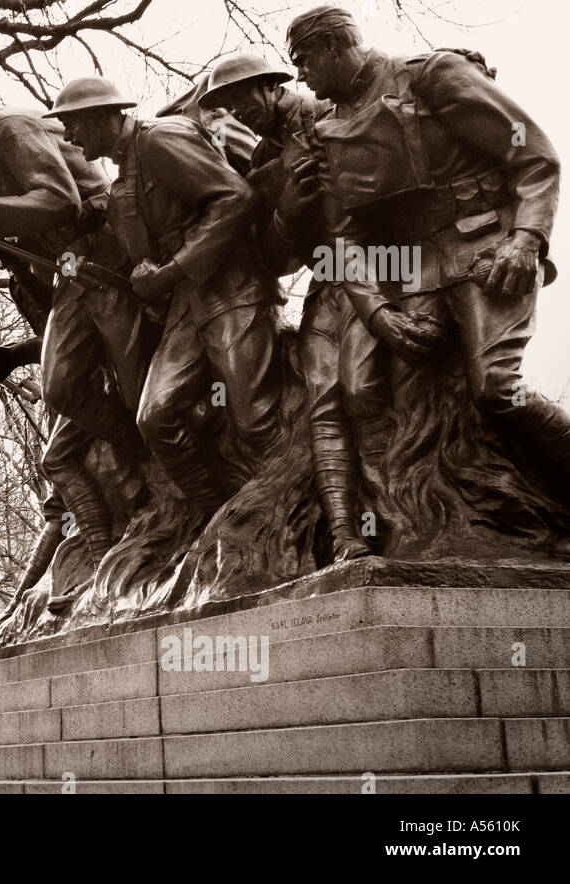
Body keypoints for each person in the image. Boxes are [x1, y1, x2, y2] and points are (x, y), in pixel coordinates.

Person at [286, 5, 570, 502]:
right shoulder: (325, 130)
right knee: (370, 394)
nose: (299, 74)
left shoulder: (433, 76)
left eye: (303, 58)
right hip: (413, 271)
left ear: (332, 45)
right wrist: (376, 314)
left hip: (486, 252)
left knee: (498, 388)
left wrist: (527, 238)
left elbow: (534, 154)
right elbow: (345, 236)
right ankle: (412, 525)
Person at [0, 66, 144, 610]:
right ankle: (136, 453)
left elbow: (62, 202)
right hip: (70, 271)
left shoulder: (13, 128)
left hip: (107, 253)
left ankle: (150, 469)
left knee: (137, 381)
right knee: (62, 388)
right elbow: (18, 245)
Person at [200, 52, 426, 559]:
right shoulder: (262, 163)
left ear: (272, 86)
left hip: (383, 270)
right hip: (327, 284)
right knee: (322, 406)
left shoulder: (334, 113)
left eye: (242, 96)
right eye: (227, 104)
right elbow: (273, 261)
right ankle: (347, 534)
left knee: (364, 391)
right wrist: (286, 214)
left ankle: (398, 522)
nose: (238, 110)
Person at [45, 77, 283, 516]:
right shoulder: (124, 176)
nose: (70, 137)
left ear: (102, 115)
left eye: (74, 124)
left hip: (233, 289)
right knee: (154, 417)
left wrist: (171, 270)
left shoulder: (160, 139)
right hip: (187, 305)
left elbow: (235, 198)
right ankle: (215, 520)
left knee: (256, 419)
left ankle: (303, 518)